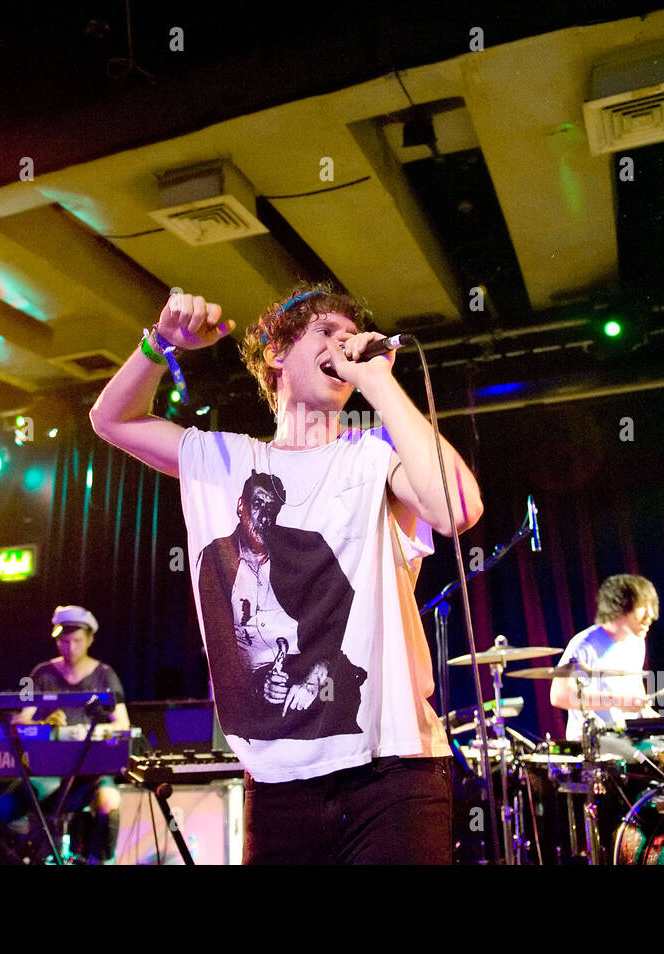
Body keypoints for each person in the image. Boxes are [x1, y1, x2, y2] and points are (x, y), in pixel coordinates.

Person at [89, 284, 483, 864]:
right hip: (276, 780)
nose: (343, 345)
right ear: (276, 351)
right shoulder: (223, 461)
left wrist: (378, 380)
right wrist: (160, 344)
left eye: (352, 337)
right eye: (326, 333)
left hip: (394, 770)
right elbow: (111, 419)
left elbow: (457, 509)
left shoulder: (372, 454)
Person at [3, 605, 129, 864]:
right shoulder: (42, 673)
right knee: (7, 805)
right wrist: (44, 724)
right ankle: (31, 855)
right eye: (63, 641)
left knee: (109, 800)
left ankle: (101, 860)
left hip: (91, 771)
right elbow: (20, 722)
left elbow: (123, 725)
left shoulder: (105, 675)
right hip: (47, 770)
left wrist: (94, 732)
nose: (69, 648)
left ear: (90, 639)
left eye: (76, 641)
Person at [550, 574, 659, 741]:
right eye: (643, 606)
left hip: (628, 738)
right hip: (593, 744)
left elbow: (635, 690)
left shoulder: (637, 642)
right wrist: (617, 701)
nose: (650, 614)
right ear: (620, 607)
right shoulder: (583, 645)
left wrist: (647, 713)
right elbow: (559, 696)